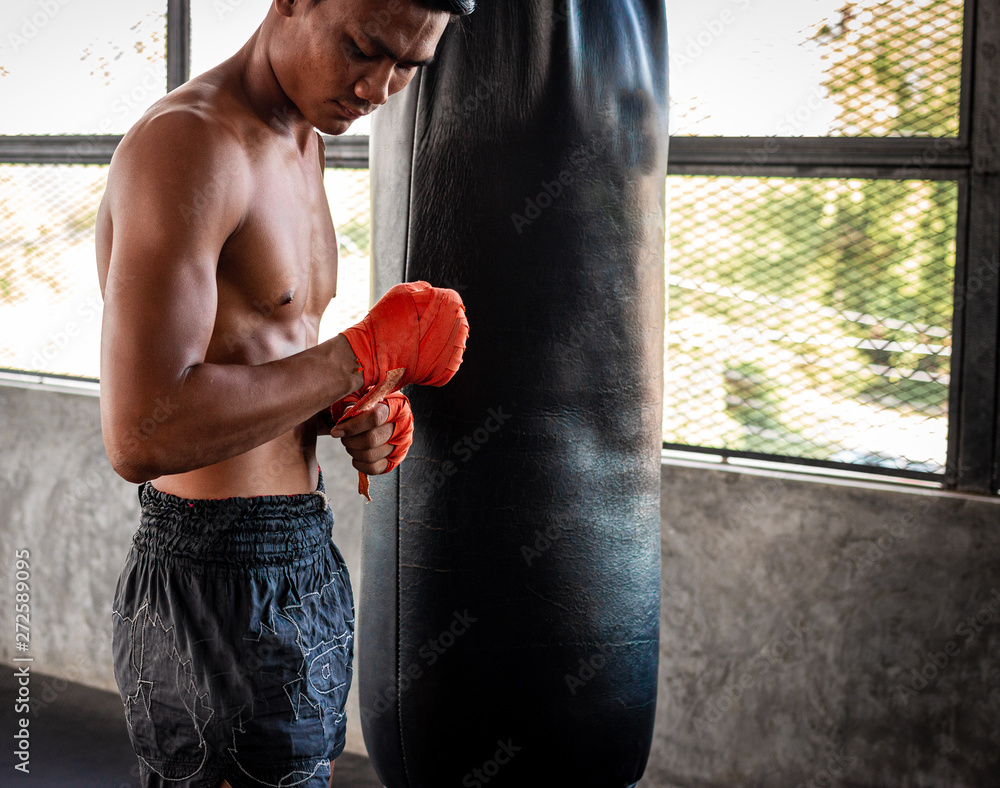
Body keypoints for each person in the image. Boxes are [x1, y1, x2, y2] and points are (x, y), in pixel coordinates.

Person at [94, 1, 473, 786]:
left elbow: (262, 350)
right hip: (214, 576)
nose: (379, 87)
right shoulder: (190, 143)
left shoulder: (305, 140)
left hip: (301, 557)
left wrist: (347, 409)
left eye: (410, 66)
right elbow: (140, 433)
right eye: (364, 48)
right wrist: (359, 354)